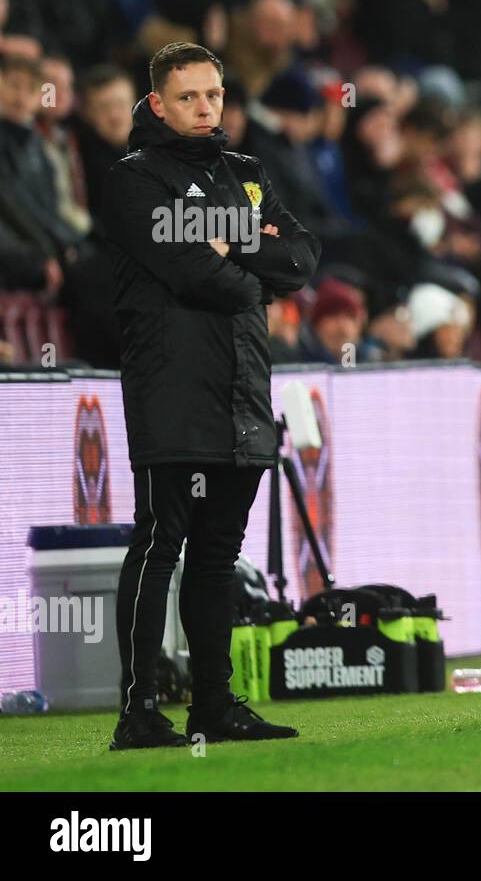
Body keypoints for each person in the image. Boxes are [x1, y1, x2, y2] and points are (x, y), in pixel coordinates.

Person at [102, 42, 319, 750]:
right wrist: (251, 261)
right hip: (171, 387)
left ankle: (214, 706)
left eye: (214, 94)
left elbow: (302, 257)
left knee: (218, 553)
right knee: (159, 543)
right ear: (157, 103)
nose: (205, 108)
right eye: (188, 96)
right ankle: (139, 710)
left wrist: (235, 249)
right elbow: (197, 273)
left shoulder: (246, 173)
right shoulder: (135, 178)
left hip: (242, 388)